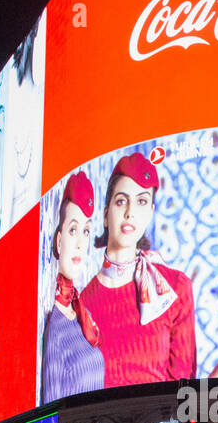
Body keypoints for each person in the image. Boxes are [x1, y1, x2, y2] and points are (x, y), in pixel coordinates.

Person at [80, 153, 197, 388]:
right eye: (121, 201)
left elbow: (184, 387)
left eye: (141, 201)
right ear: (105, 214)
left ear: (150, 212)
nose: (130, 212)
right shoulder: (83, 302)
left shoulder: (175, 288)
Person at [41, 172, 105, 402]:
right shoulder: (56, 329)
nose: (80, 243)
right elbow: (51, 411)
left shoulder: (82, 314)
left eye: (85, 231)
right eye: (73, 230)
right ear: (59, 241)